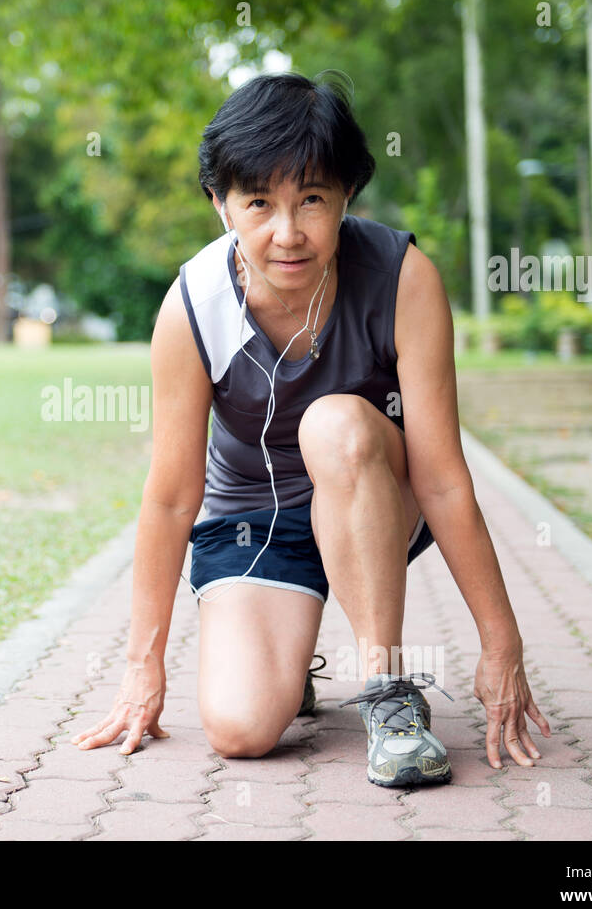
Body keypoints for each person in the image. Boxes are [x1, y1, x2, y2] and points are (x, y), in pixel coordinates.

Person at [70, 71, 549, 787]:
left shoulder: (403, 278)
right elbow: (172, 497)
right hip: (253, 521)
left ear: (346, 196)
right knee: (240, 729)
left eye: (312, 200)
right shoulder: (192, 305)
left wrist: (501, 640)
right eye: (258, 202)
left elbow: (444, 476)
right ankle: (287, 665)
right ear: (220, 204)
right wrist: (143, 666)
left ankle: (387, 691)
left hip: (376, 492)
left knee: (334, 426)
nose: (287, 233)